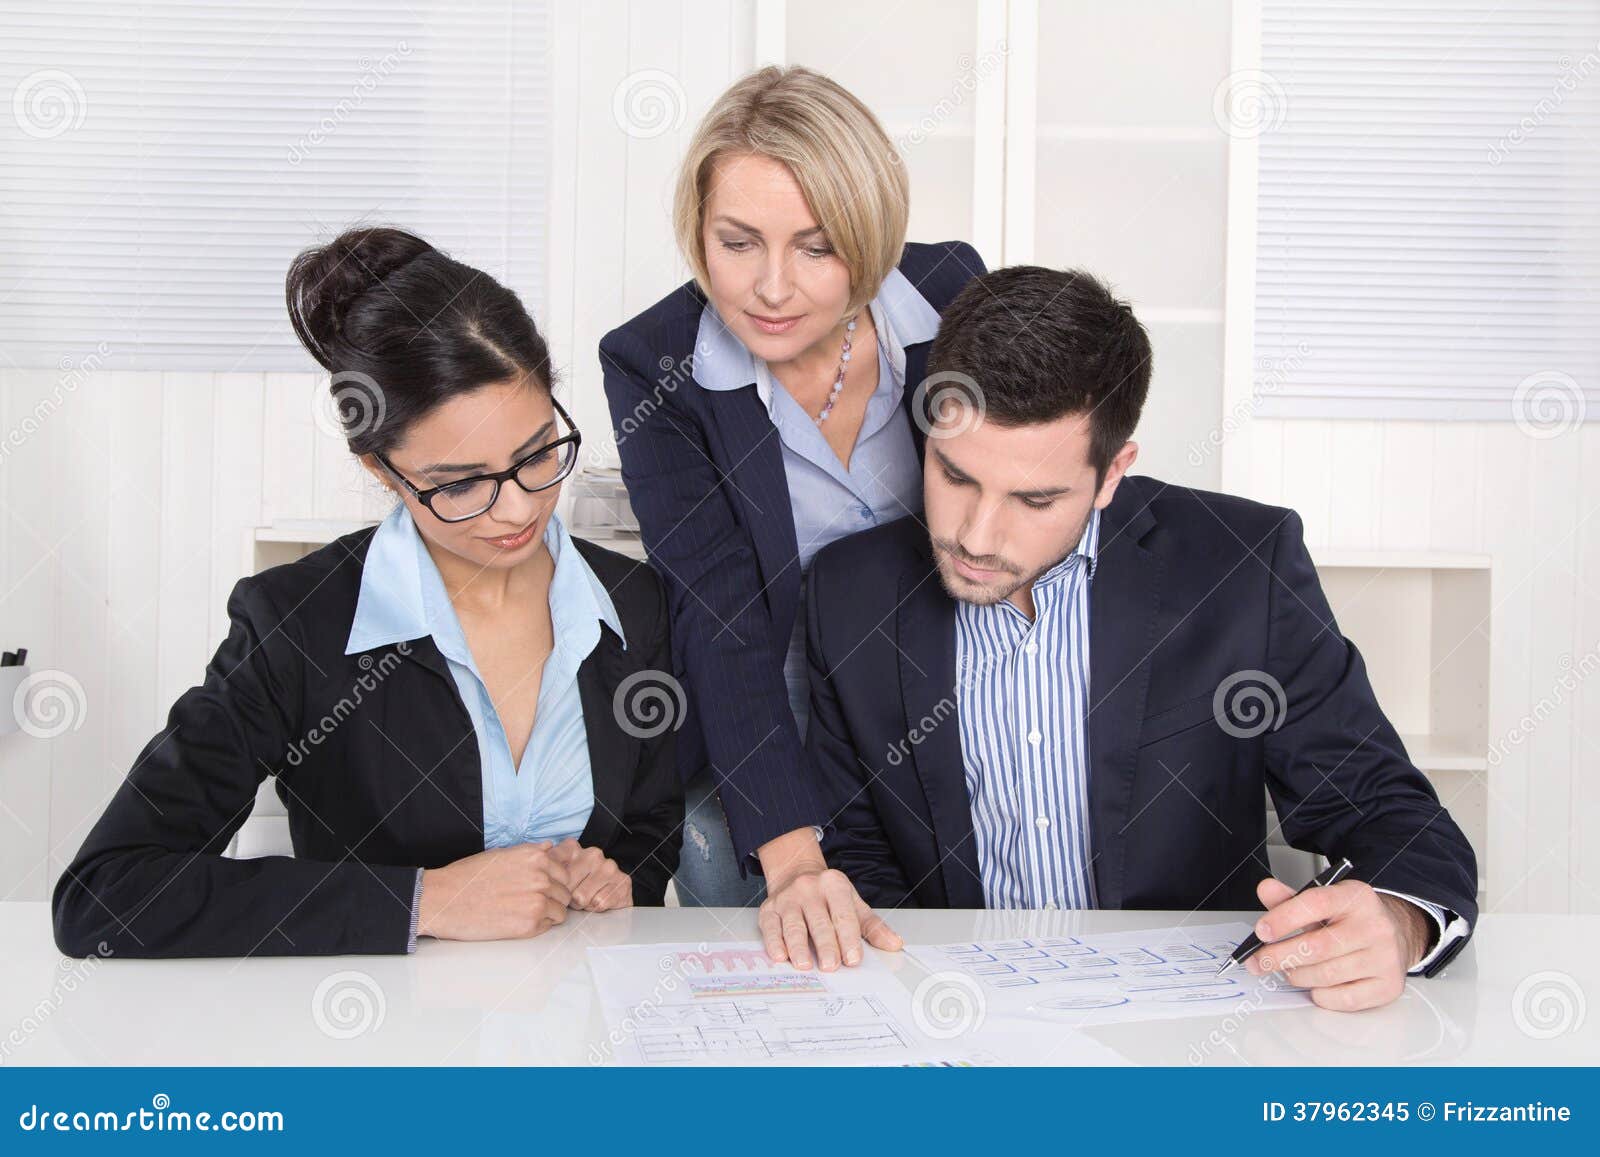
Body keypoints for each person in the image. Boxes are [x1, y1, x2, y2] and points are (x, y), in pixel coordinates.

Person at [801, 265, 1478, 1010]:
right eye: (955, 475)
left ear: (1113, 471)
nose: (975, 535)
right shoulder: (848, 593)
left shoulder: (1242, 567)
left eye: (1034, 498)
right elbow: (858, 850)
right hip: (957, 1024)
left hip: (1186, 1033)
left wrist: (1398, 921)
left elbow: (1387, 808)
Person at [53, 227, 682, 958]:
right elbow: (107, 894)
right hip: (377, 1043)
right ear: (382, 468)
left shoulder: (633, 601)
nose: (517, 509)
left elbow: (649, 829)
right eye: (459, 483)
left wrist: (616, 880)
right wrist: (424, 899)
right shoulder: (296, 625)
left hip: (575, 1047)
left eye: (538, 452)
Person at [600, 65, 984, 970]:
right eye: (738, 243)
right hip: (770, 725)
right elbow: (716, 609)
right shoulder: (654, 360)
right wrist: (792, 853)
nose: (771, 288)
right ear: (698, 232)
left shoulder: (953, 293)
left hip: (950, 701)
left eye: (817, 248)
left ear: (873, 236)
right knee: (786, 982)